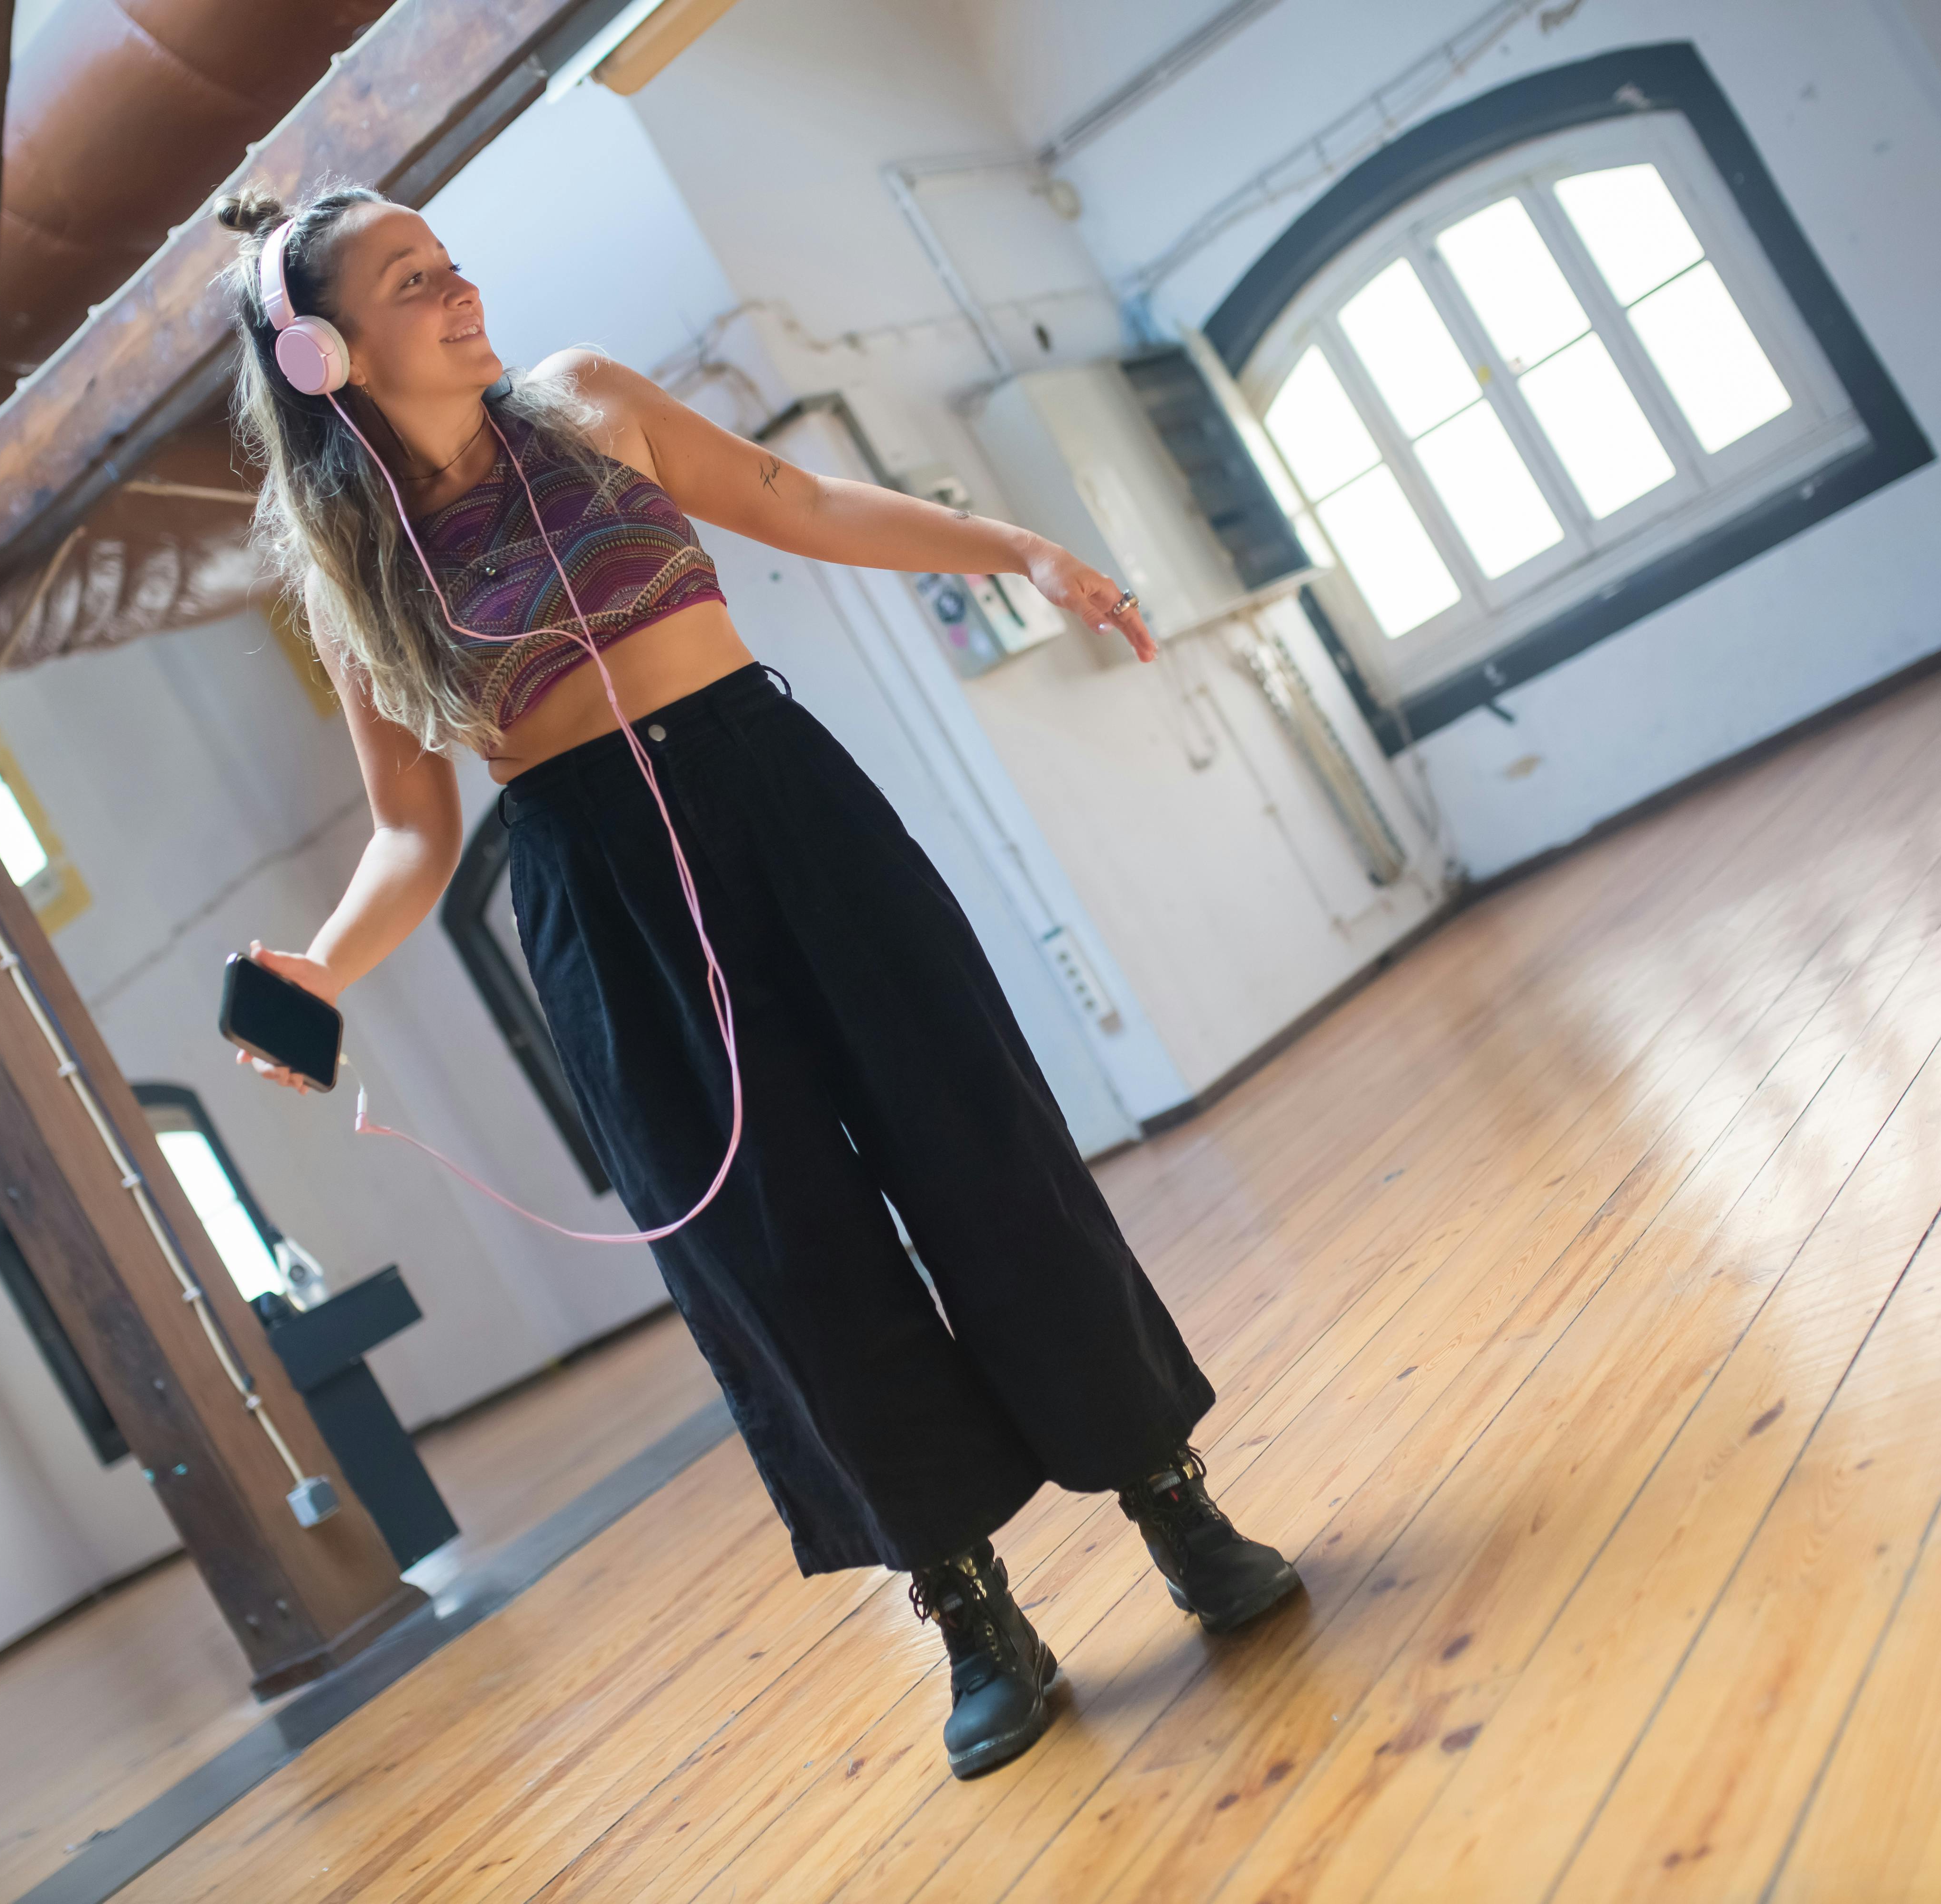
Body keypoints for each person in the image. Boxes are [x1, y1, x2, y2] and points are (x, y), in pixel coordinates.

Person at [216, 181, 1300, 1781]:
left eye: (451, 261)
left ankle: (1172, 1503)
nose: (460, 290)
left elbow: (802, 501)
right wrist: (321, 962)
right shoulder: (354, 576)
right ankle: (970, 1612)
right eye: (413, 281)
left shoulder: (587, 400)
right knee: (778, 1259)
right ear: (322, 355)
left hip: (780, 796)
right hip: (596, 882)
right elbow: (407, 834)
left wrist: (1014, 547)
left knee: (981, 1151)